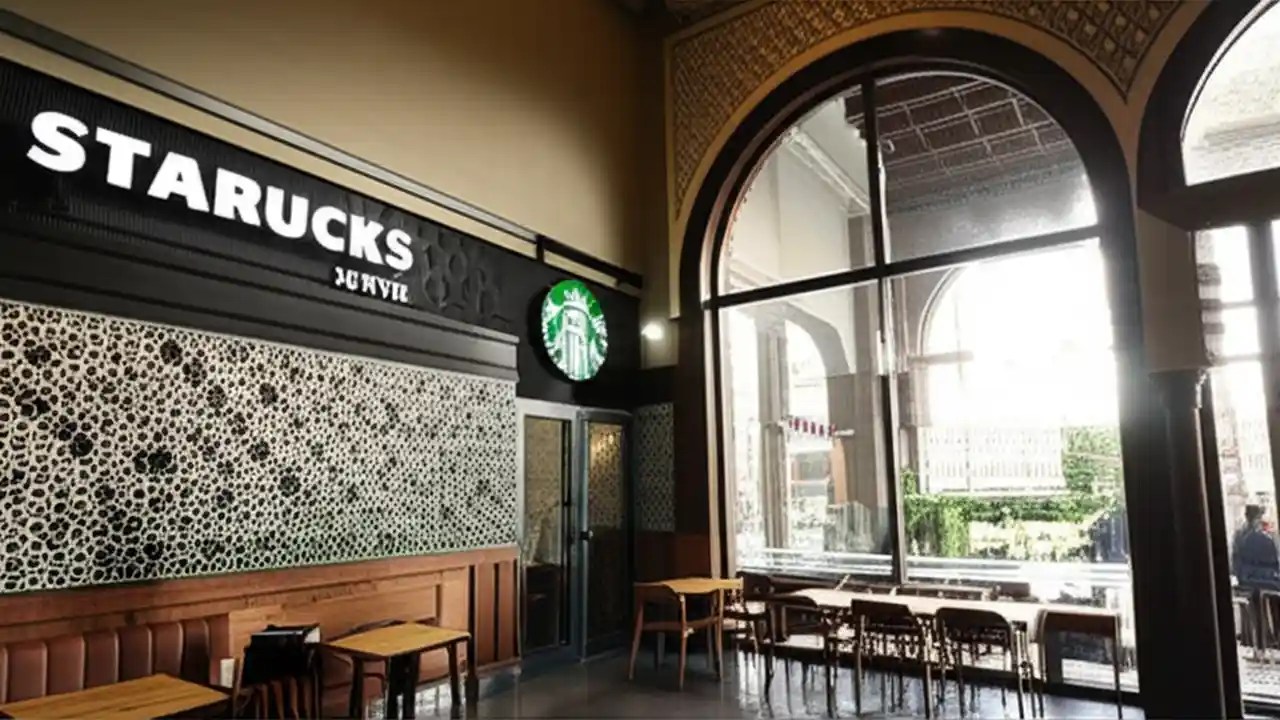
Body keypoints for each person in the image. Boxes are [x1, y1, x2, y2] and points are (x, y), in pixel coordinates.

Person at [1233, 504, 1280, 591]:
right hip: (1264, 580)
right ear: (1258, 518)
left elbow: (1235, 561)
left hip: (1245, 579)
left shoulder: (1239, 536)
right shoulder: (1265, 539)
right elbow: (1274, 564)